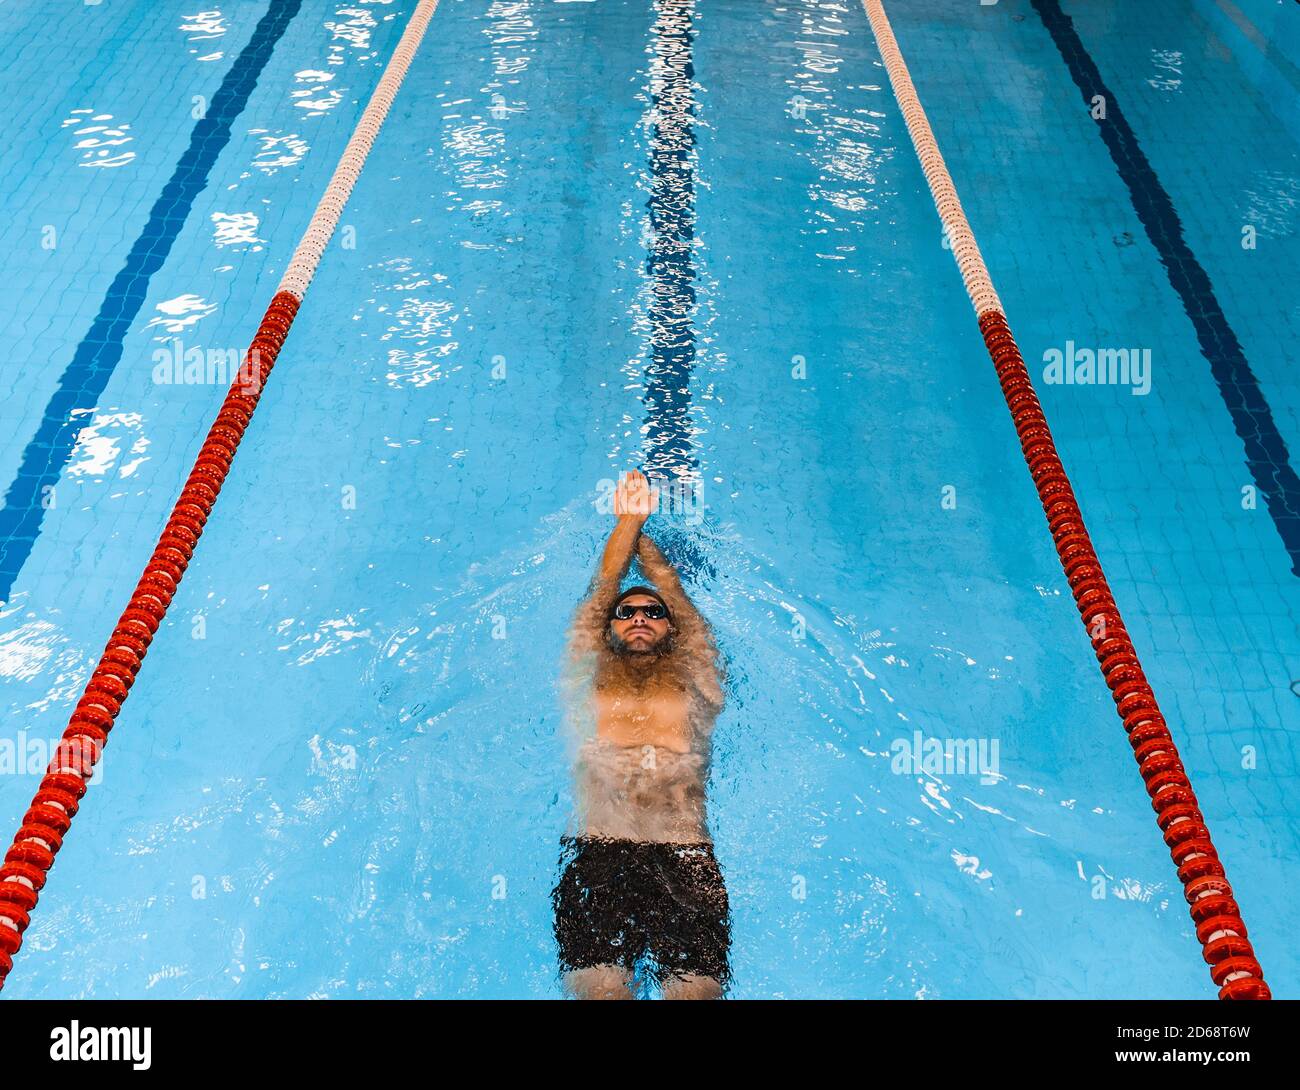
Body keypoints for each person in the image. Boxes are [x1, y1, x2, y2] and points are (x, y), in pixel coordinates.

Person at [552, 470, 729, 999]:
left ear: (672, 626)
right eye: (625, 612)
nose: (638, 617)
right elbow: (601, 590)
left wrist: (646, 549)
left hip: (686, 857)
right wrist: (628, 522)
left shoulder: (697, 677)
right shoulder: (587, 672)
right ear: (608, 625)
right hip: (599, 852)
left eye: (653, 612)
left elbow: (677, 600)